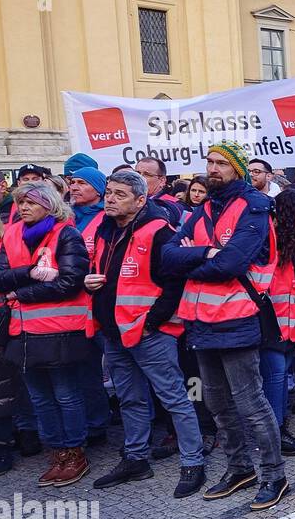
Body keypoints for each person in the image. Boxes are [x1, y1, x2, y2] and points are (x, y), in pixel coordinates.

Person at [162, 142, 286, 510]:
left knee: (249, 401)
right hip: (200, 320)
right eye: (210, 162)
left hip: (237, 317)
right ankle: (239, 467)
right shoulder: (202, 209)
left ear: (237, 169)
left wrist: (192, 260)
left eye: (221, 163)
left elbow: (231, 264)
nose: (213, 169)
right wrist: (203, 253)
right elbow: (166, 256)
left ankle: (274, 474)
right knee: (216, 400)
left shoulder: (254, 206)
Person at [82, 170, 206, 493]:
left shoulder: (159, 232)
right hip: (114, 331)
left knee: (174, 397)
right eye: (109, 192)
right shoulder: (106, 230)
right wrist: (90, 282)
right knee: (130, 399)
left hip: (149, 334)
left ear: (140, 200)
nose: (110, 198)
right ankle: (136, 459)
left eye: (119, 195)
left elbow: (175, 283)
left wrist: (152, 323)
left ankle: (193, 463)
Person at [0, 181, 93, 485]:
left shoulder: (66, 234)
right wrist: (30, 273)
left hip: (59, 329)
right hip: (22, 331)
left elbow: (69, 283)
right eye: (21, 202)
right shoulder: (11, 233)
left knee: (65, 394)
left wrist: (19, 293)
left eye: (31, 202)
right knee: (40, 398)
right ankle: (57, 452)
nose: (23, 207)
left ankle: (75, 451)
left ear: (49, 204)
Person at [261, 187, 295, 457]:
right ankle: (275, 434)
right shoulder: (269, 243)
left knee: (279, 379)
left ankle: (279, 429)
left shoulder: (294, 244)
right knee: (275, 378)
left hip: (291, 326)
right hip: (273, 326)